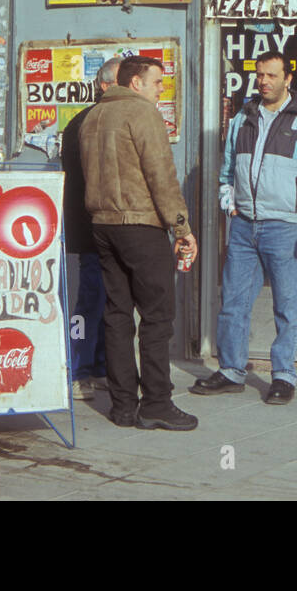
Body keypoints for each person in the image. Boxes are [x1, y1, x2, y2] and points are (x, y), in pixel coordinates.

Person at [191, 50, 297, 405]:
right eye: (260, 75)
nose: (263, 81)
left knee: (287, 305)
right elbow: (227, 169)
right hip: (244, 226)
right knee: (233, 302)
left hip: (286, 226)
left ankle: (283, 375)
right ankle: (231, 371)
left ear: (288, 79)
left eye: (271, 75)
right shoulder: (244, 116)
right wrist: (228, 201)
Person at [80, 56, 199, 431]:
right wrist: (182, 228)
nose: (160, 90)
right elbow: (161, 175)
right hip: (140, 226)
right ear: (135, 83)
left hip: (102, 225)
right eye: (157, 83)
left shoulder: (92, 116)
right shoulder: (143, 113)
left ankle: (123, 406)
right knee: (157, 317)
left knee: (117, 315)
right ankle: (158, 404)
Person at [60, 56, 120, 402]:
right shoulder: (87, 123)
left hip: (101, 227)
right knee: (89, 301)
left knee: (107, 301)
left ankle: (97, 367)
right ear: (104, 85)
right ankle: (79, 368)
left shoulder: (93, 120)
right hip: (91, 227)